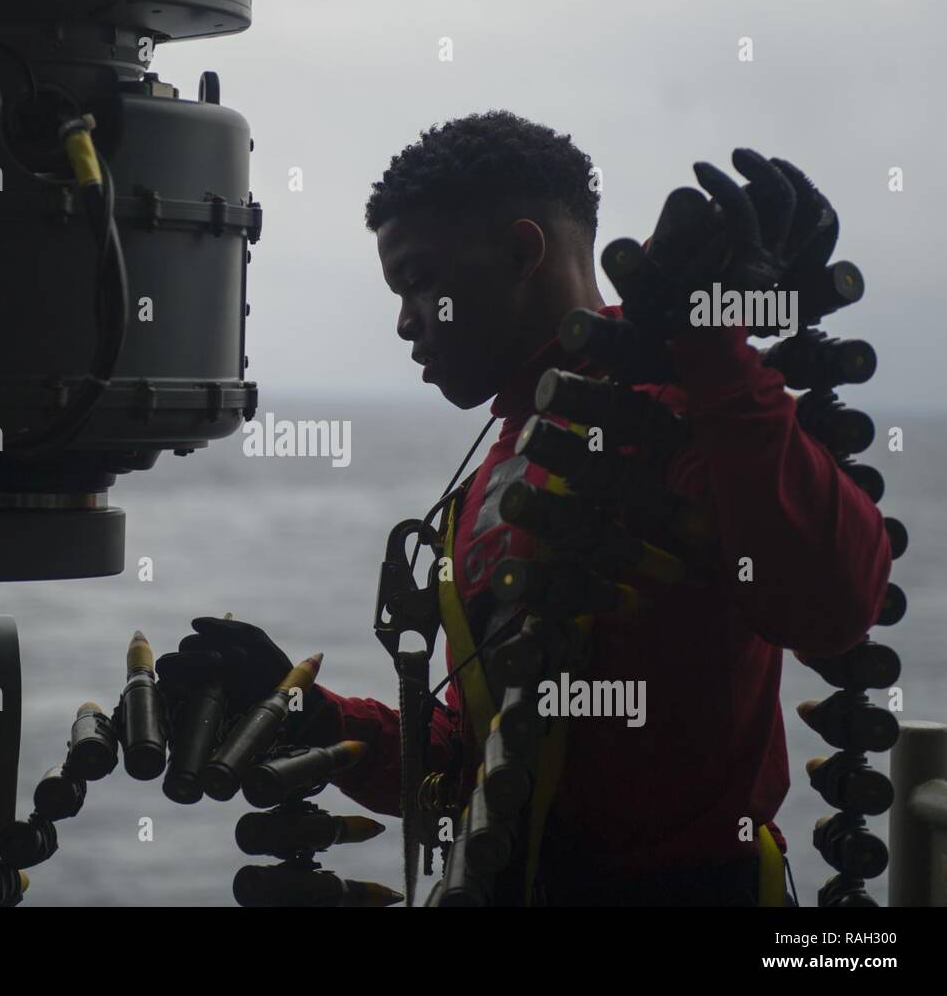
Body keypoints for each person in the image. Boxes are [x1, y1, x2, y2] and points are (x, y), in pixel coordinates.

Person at [164, 111, 891, 906]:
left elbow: (833, 609)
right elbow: (492, 770)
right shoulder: (497, 467)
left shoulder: (690, 407)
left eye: (418, 280)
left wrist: (714, 348)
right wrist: (307, 713)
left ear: (521, 251)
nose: (406, 321)